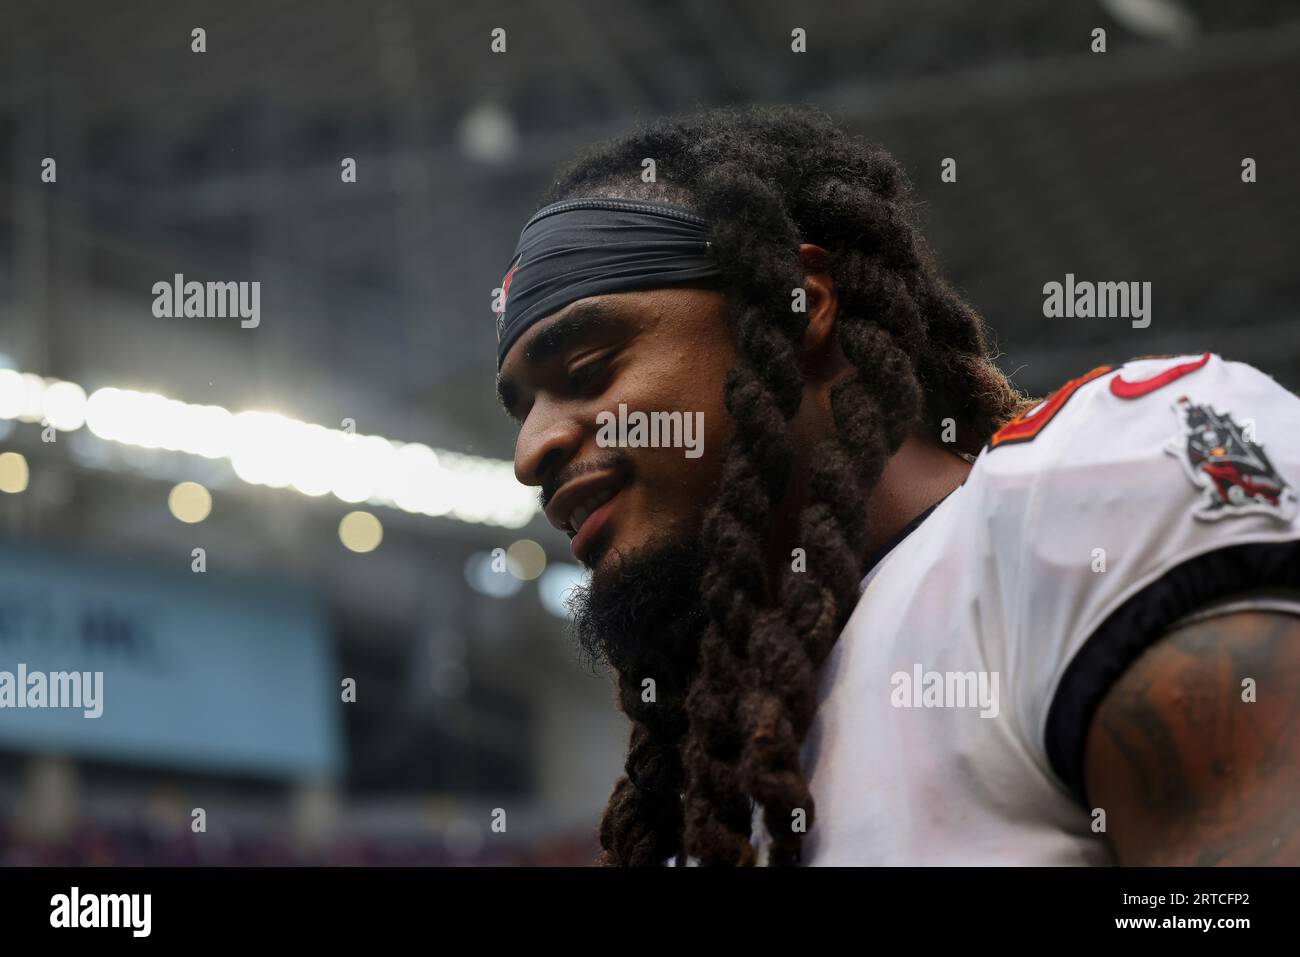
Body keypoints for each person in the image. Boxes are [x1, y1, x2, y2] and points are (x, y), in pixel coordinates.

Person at [492, 104, 1300, 866]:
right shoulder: (704, 773)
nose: (532, 450)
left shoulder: (1078, 505)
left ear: (797, 305)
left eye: (588, 372)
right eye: (521, 411)